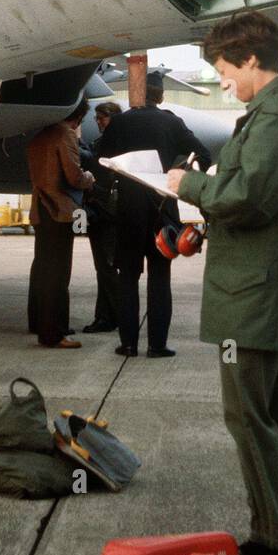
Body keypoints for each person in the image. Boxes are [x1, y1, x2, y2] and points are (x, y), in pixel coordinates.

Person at [166, 11, 278, 555]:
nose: (222, 81)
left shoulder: (273, 122)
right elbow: (250, 200)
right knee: (276, 412)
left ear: (252, 60)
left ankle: (273, 541)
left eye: (224, 69)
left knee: (249, 418)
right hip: (259, 290)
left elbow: (248, 197)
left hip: (253, 298)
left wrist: (187, 186)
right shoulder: (270, 116)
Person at [101, 73, 211, 358]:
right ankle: (157, 345)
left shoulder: (120, 122)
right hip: (162, 210)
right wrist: (179, 172)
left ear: (137, 93)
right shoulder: (171, 121)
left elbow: (101, 160)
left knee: (128, 277)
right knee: (160, 278)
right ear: (160, 96)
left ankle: (128, 344)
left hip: (128, 210)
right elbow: (204, 155)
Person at [26, 102, 94, 349]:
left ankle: (39, 323)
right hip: (60, 210)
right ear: (77, 117)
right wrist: (89, 178)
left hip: (40, 208)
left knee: (42, 268)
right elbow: (73, 176)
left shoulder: (40, 135)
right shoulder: (64, 134)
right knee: (59, 272)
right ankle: (55, 333)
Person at [78, 101, 123, 333]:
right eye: (97, 117)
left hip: (106, 212)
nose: (98, 121)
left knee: (105, 267)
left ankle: (111, 316)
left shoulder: (112, 143)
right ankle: (107, 315)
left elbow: (97, 165)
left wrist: (77, 146)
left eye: (102, 117)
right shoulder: (112, 141)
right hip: (106, 211)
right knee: (104, 267)